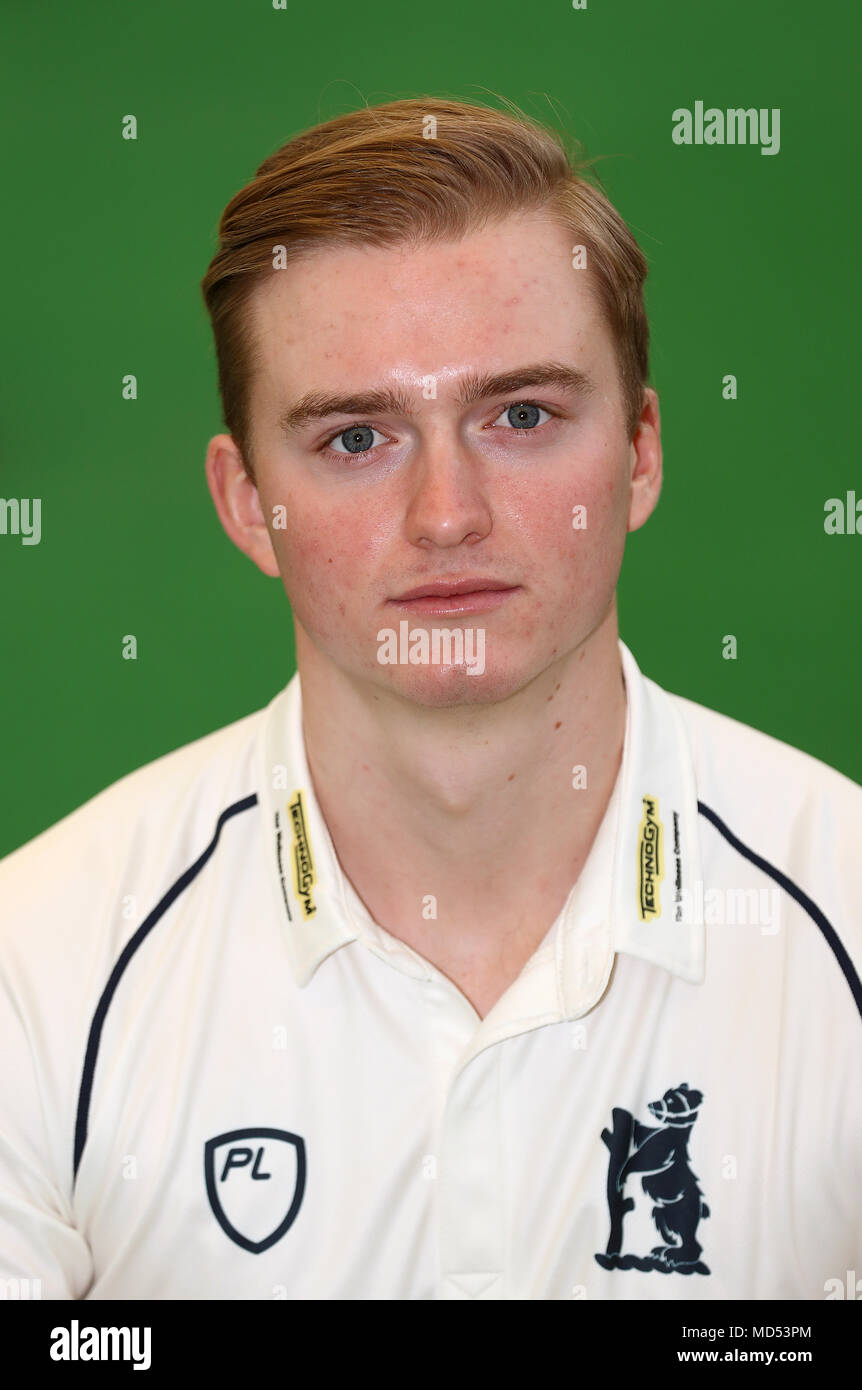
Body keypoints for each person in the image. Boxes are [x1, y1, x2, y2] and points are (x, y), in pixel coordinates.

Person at [0, 97, 859, 1301]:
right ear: (249, 501)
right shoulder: (33, 974)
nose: (447, 512)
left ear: (641, 452)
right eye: (357, 438)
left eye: (520, 416)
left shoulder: (844, 925)